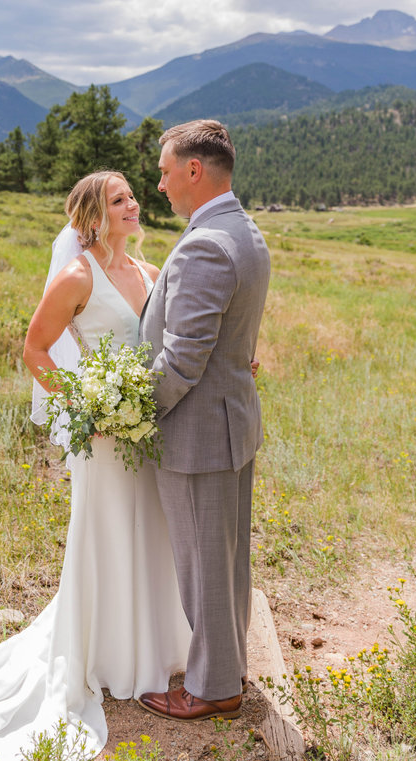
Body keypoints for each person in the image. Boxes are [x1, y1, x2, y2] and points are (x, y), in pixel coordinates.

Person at [0, 170, 190, 761]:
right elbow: (34, 348)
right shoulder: (77, 276)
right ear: (93, 216)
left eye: (132, 196)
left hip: (147, 435)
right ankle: (106, 653)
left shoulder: (152, 274)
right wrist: (84, 401)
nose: (133, 204)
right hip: (102, 436)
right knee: (105, 535)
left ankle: (155, 648)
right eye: (119, 199)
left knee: (153, 532)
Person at [136, 120, 271, 722]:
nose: (159, 184)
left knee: (203, 565)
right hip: (230, 420)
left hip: (195, 431)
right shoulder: (243, 230)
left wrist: (136, 415)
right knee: (226, 559)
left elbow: (183, 359)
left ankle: (215, 688)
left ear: (194, 170)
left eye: (165, 171)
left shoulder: (204, 244)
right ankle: (227, 664)